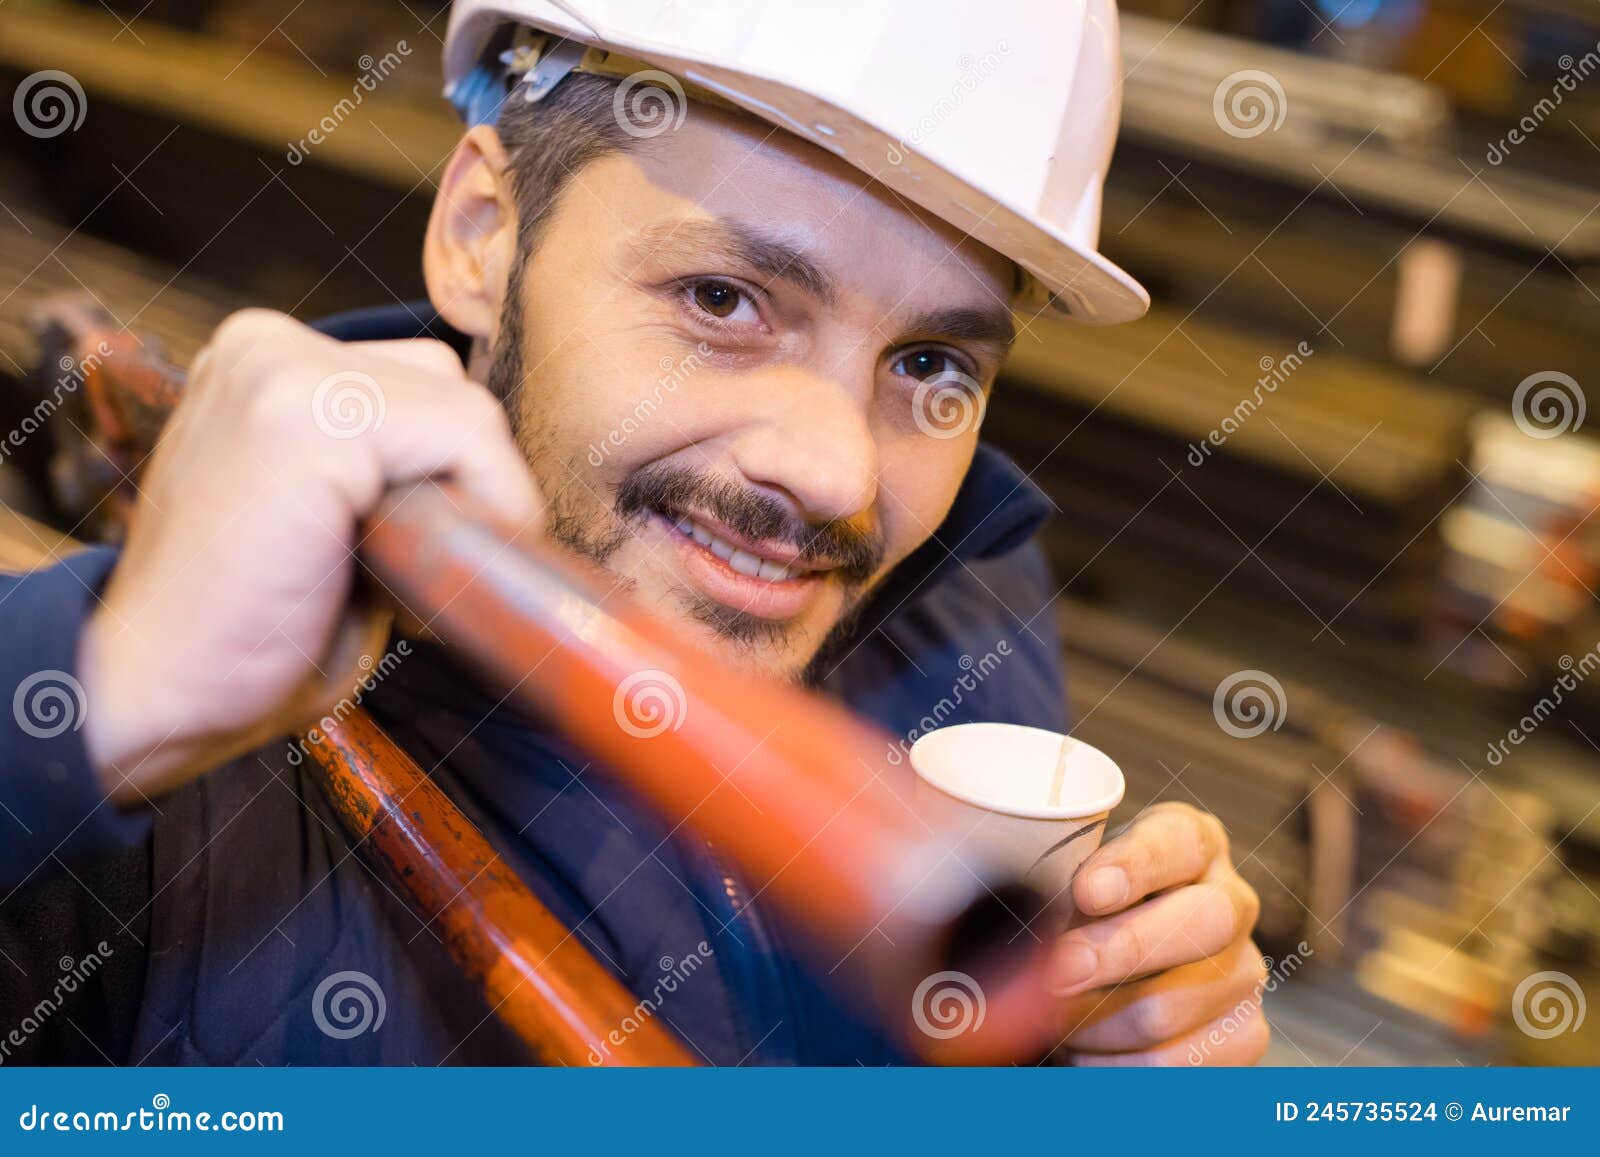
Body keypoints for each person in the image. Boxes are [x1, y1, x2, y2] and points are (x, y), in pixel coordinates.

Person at [0, 0, 1267, 1065]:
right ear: (482, 238)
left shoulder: (962, 601)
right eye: (723, 299)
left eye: (928, 361)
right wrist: (98, 700)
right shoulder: (145, 806)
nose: (833, 474)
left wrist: (1107, 1044)